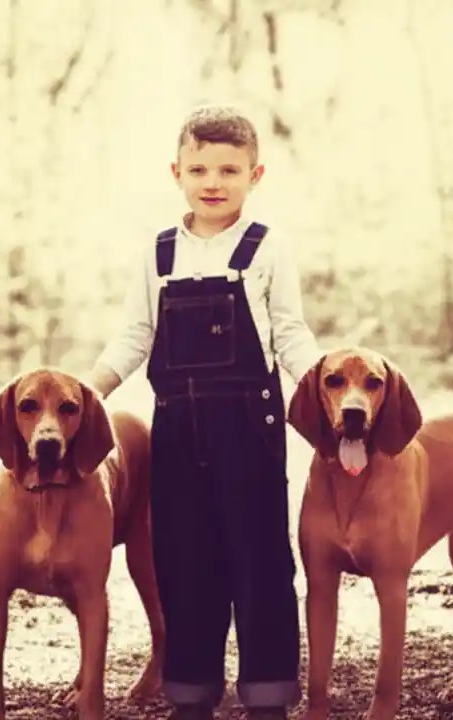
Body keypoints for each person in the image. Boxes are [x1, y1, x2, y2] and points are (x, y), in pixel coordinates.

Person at [84, 105, 322, 720]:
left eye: (228, 169)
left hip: (252, 426)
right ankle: (190, 694)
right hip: (177, 429)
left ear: (254, 174)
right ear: (176, 172)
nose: (212, 181)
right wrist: (89, 392)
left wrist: (324, 388)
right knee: (185, 559)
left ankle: (268, 696)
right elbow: (135, 336)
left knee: (260, 558)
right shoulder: (157, 253)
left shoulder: (268, 248)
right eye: (199, 168)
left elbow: (291, 334)